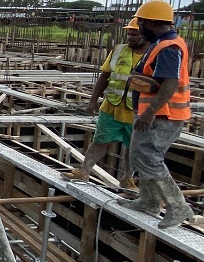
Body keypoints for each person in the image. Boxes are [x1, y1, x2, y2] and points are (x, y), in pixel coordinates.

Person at [119, 0, 193, 229]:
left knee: (149, 157)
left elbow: (170, 83)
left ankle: (177, 206)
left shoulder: (169, 47)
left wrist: (150, 112)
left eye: (140, 23)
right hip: (153, 113)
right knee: (141, 155)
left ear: (151, 22)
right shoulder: (160, 43)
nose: (139, 28)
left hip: (163, 115)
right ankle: (149, 201)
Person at [62, 18, 147, 189]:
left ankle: (127, 178)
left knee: (133, 146)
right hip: (112, 106)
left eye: (134, 34)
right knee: (100, 140)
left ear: (145, 34)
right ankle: (84, 171)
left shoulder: (154, 54)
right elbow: (104, 77)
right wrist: (93, 100)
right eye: (129, 34)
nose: (130, 37)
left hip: (137, 110)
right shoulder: (119, 50)